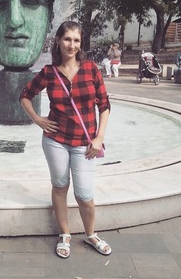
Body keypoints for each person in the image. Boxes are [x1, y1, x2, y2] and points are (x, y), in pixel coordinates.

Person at [20, 21, 112, 259]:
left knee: (85, 196)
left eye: (76, 40)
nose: (72, 45)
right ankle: (65, 234)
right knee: (60, 186)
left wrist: (99, 138)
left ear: (81, 44)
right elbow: (25, 95)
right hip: (56, 141)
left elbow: (104, 105)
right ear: (58, 41)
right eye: (67, 39)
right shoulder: (49, 73)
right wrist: (37, 119)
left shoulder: (91, 69)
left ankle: (91, 235)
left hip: (85, 144)